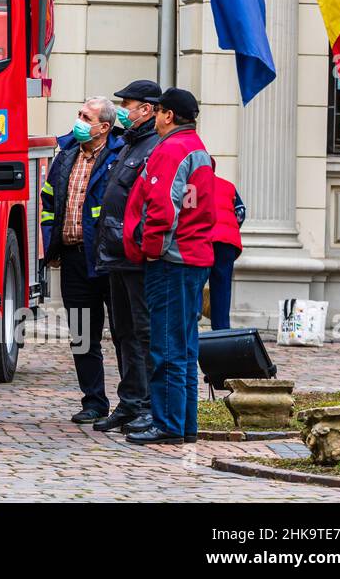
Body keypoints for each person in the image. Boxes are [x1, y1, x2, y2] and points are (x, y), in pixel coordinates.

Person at [122, 87, 216, 445]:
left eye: (159, 111)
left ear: (168, 115)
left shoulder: (172, 149)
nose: (156, 116)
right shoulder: (197, 148)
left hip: (171, 260)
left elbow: (161, 207)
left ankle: (168, 423)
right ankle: (183, 422)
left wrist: (150, 250)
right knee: (184, 345)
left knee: (166, 345)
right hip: (191, 257)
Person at [39, 96, 124, 424]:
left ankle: (129, 402)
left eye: (85, 117)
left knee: (121, 335)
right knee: (83, 336)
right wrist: (52, 243)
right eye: (79, 114)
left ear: (104, 127)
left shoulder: (119, 156)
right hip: (74, 258)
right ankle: (93, 402)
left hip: (108, 260)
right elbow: (49, 200)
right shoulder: (67, 155)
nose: (79, 121)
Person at [90, 79, 163, 435]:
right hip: (116, 254)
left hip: (135, 254)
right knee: (122, 332)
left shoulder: (154, 146)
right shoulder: (130, 144)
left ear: (146, 109)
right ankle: (130, 401)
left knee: (141, 332)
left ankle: (148, 405)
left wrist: (135, 240)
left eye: (128, 105)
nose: (124, 110)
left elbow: (152, 203)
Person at [209, 174, 246, 330]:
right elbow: (241, 212)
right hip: (226, 242)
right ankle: (221, 329)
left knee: (195, 281)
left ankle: (194, 313)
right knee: (222, 286)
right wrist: (231, 228)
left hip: (203, 239)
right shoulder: (228, 185)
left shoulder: (192, 185)